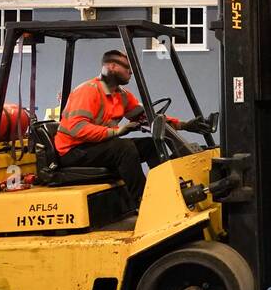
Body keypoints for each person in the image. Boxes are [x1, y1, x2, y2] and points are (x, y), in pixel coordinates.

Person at [54, 49, 186, 206]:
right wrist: (118, 131)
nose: (130, 72)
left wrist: (184, 125)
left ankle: (167, 191)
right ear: (112, 67)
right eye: (127, 68)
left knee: (150, 145)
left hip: (96, 147)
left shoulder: (122, 95)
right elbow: (77, 129)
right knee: (124, 147)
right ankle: (144, 202)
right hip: (73, 151)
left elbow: (147, 117)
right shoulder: (88, 91)